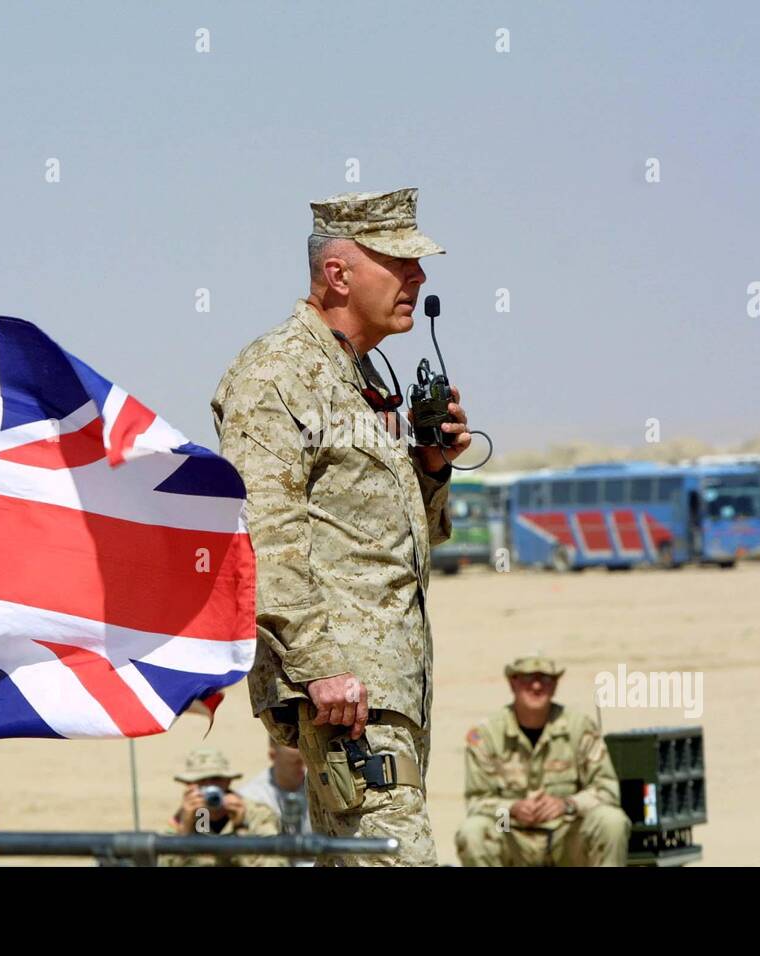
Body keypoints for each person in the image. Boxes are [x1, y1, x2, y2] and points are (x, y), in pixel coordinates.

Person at [211, 187, 470, 866]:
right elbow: (263, 533)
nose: (418, 277)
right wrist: (322, 668)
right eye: (400, 262)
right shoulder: (277, 376)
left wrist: (433, 468)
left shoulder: (360, 379)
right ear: (338, 274)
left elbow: (397, 538)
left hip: (386, 691)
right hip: (344, 699)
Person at [455, 656, 631, 867]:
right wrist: (512, 808)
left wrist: (567, 805)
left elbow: (607, 791)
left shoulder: (580, 727)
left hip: (565, 832)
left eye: (545, 679)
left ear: (555, 684)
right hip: (511, 829)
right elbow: (477, 802)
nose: (537, 686)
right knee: (473, 831)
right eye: (528, 678)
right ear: (513, 683)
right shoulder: (487, 735)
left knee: (611, 820)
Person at [161, 747, 285, 867]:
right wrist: (185, 832)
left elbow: (276, 863)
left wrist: (240, 829)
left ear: (228, 781)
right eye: (201, 781)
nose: (210, 787)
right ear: (189, 785)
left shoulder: (258, 815)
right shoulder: (180, 821)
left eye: (216, 779)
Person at [239, 740, 313, 865]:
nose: (303, 768)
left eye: (305, 761)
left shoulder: (320, 788)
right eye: (295, 762)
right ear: (273, 755)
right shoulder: (252, 797)